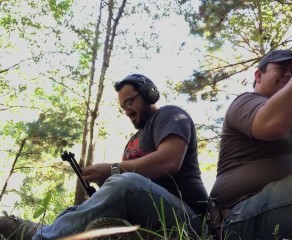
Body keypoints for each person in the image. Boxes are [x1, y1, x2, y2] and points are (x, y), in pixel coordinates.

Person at [0, 74, 208, 240]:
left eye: (130, 102)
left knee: (126, 183)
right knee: (73, 211)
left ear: (148, 94)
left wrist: (112, 170)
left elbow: (169, 160)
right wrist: (105, 184)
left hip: (189, 218)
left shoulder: (169, 115)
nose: (127, 111)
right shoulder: (134, 140)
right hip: (144, 214)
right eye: (122, 107)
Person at [209, 25, 292, 240]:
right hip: (240, 216)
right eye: (281, 68)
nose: (290, 73)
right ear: (259, 76)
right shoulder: (245, 102)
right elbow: (273, 124)